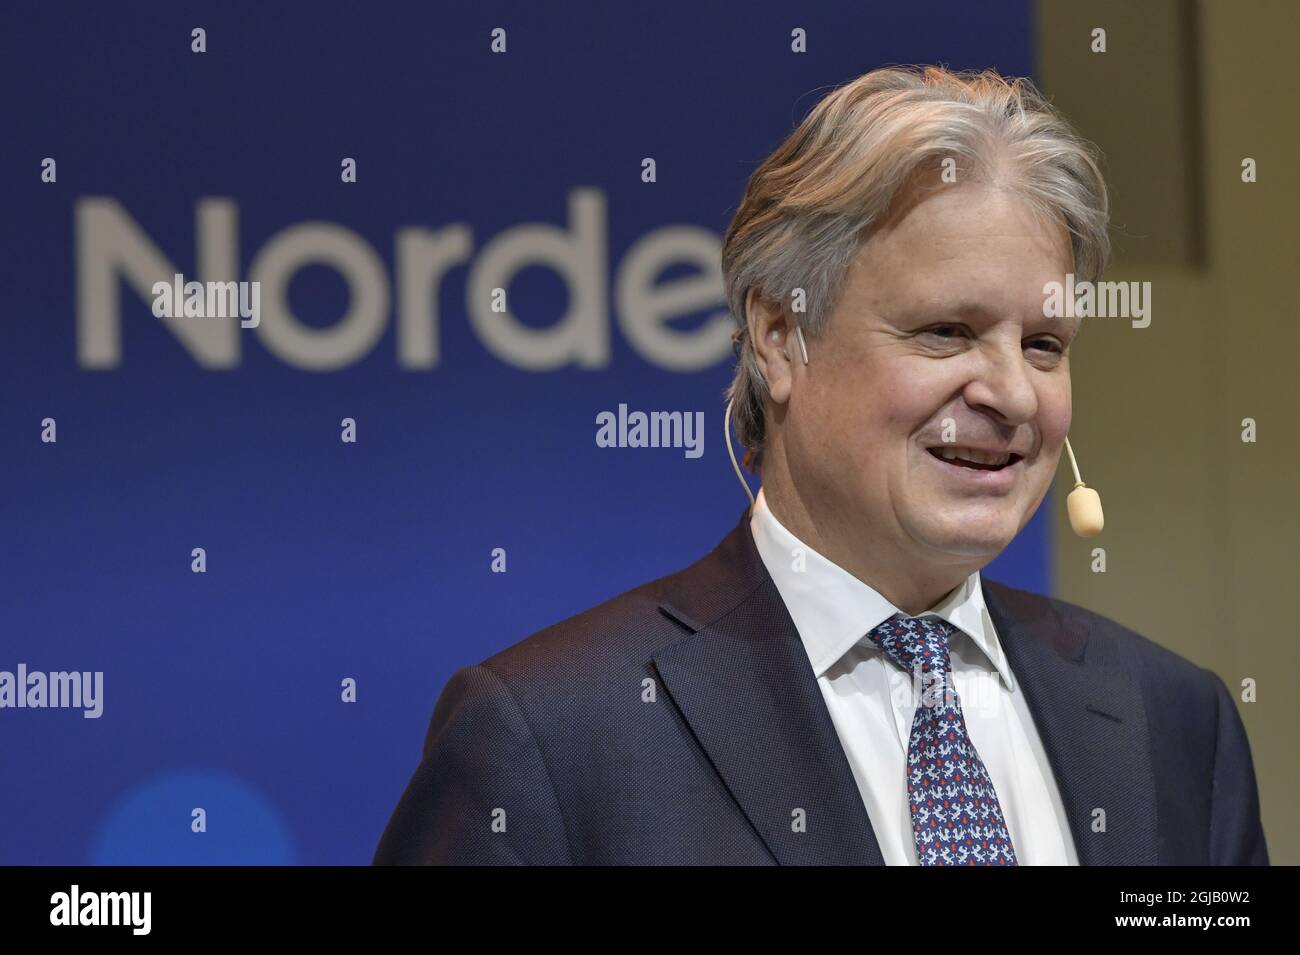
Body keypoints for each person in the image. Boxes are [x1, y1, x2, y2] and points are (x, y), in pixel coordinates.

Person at [372, 66, 1268, 865]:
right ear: (781, 335)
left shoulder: (1176, 723)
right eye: (946, 331)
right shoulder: (551, 737)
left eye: (1043, 344)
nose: (1013, 394)